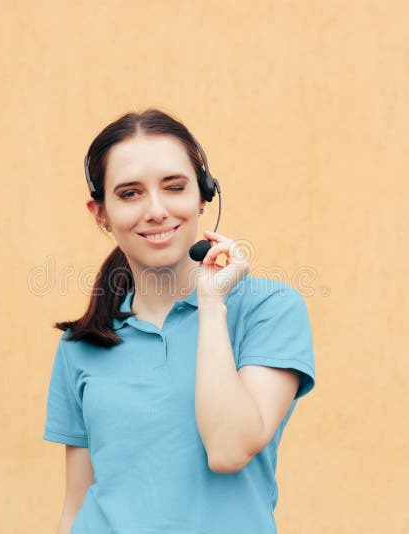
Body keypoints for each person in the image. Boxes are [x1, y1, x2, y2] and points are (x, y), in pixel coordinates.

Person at [44, 108, 316, 533]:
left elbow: (228, 449)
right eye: (130, 193)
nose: (156, 210)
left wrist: (210, 305)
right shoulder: (82, 344)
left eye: (174, 187)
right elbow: (74, 507)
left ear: (204, 195)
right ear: (101, 213)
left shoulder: (270, 309)